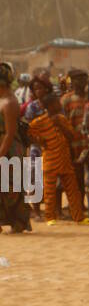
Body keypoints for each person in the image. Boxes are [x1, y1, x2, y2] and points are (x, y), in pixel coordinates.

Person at [26, 93, 89, 225]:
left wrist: (61, 126)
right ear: (48, 106)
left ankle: (79, 217)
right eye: (56, 103)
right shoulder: (39, 121)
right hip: (50, 160)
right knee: (49, 191)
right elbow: (28, 132)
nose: (59, 105)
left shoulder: (62, 119)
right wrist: (40, 141)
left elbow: (72, 136)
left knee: (73, 190)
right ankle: (50, 217)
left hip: (65, 159)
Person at [0, 62, 30, 232]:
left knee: (12, 187)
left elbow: (9, 134)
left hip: (10, 149)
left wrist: (1, 154)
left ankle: (18, 223)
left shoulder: (10, 102)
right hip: (3, 147)